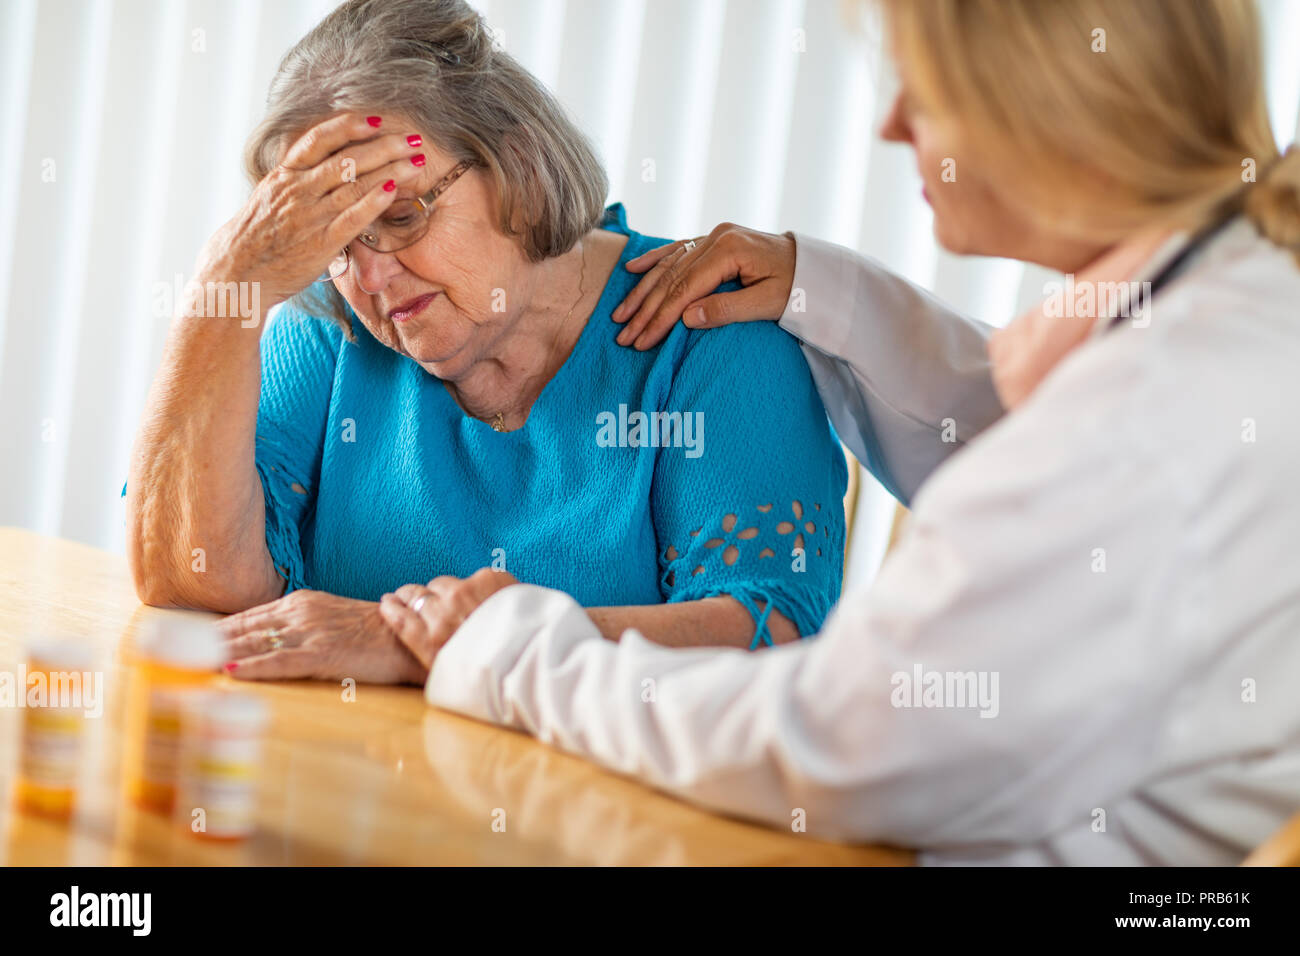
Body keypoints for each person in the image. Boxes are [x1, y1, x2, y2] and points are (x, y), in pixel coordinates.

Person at [375, 0, 1300, 864]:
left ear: (1058, 105)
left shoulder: (1154, 408)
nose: (891, 124)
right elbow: (1016, 439)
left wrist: (514, 654)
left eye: (926, 90)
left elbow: (842, 744)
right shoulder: (1237, 309)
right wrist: (822, 287)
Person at [124, 0, 848, 683]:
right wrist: (224, 289)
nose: (369, 276)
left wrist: (434, 646)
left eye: (402, 214)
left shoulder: (708, 330)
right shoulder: (328, 329)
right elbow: (190, 578)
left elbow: (771, 641)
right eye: (334, 241)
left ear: (515, 164)